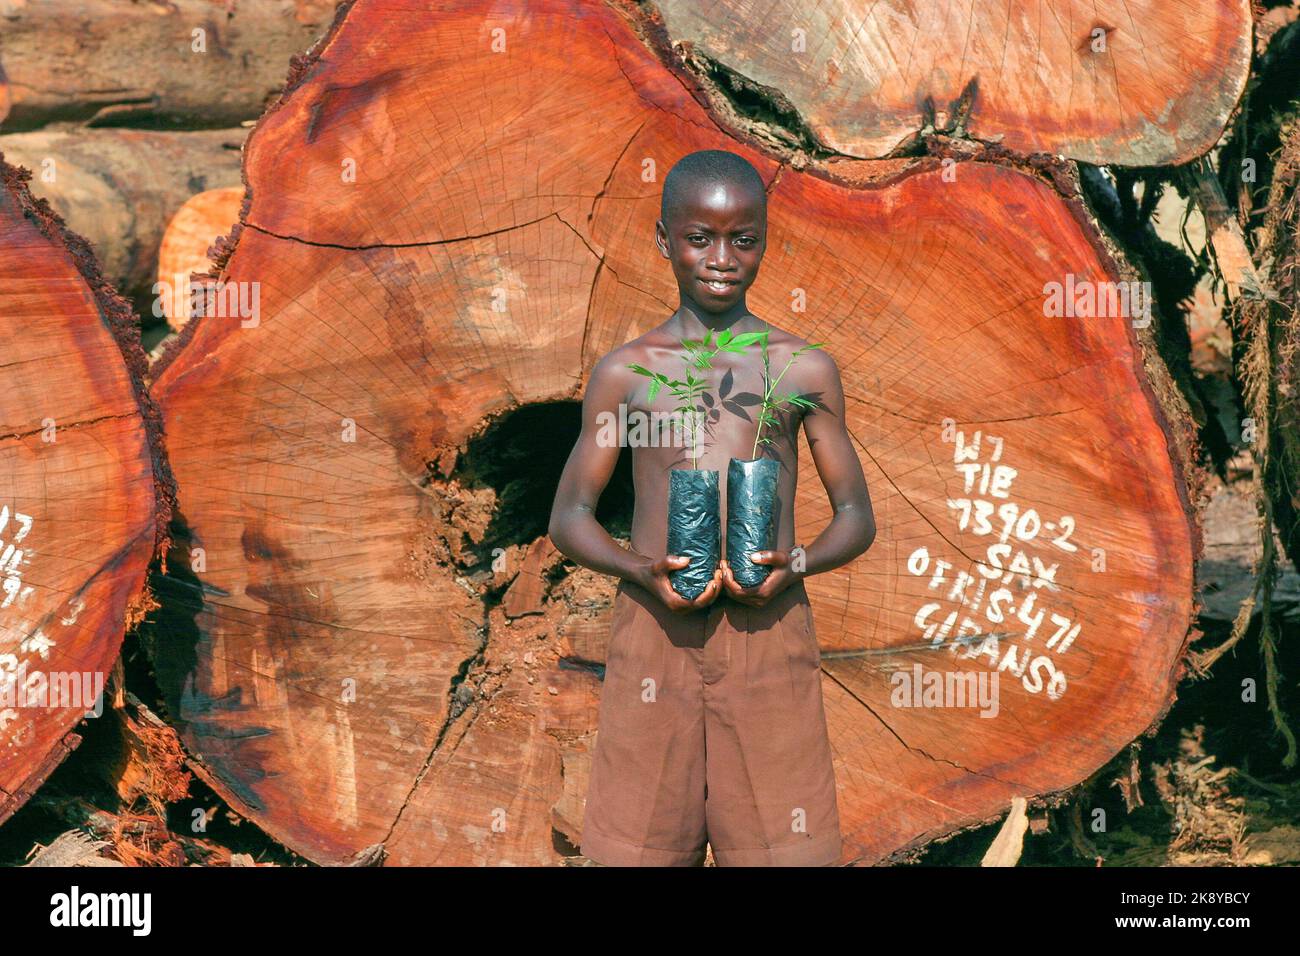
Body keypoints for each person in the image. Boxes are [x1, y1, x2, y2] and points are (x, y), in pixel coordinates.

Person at [548, 148, 876, 866]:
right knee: (638, 847)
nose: (721, 259)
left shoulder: (800, 368)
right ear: (665, 239)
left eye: (743, 238)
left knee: (784, 848)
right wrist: (638, 568)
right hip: (655, 634)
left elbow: (856, 513)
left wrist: (798, 562)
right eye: (700, 238)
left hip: (769, 635)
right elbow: (570, 514)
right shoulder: (629, 373)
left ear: (764, 240)